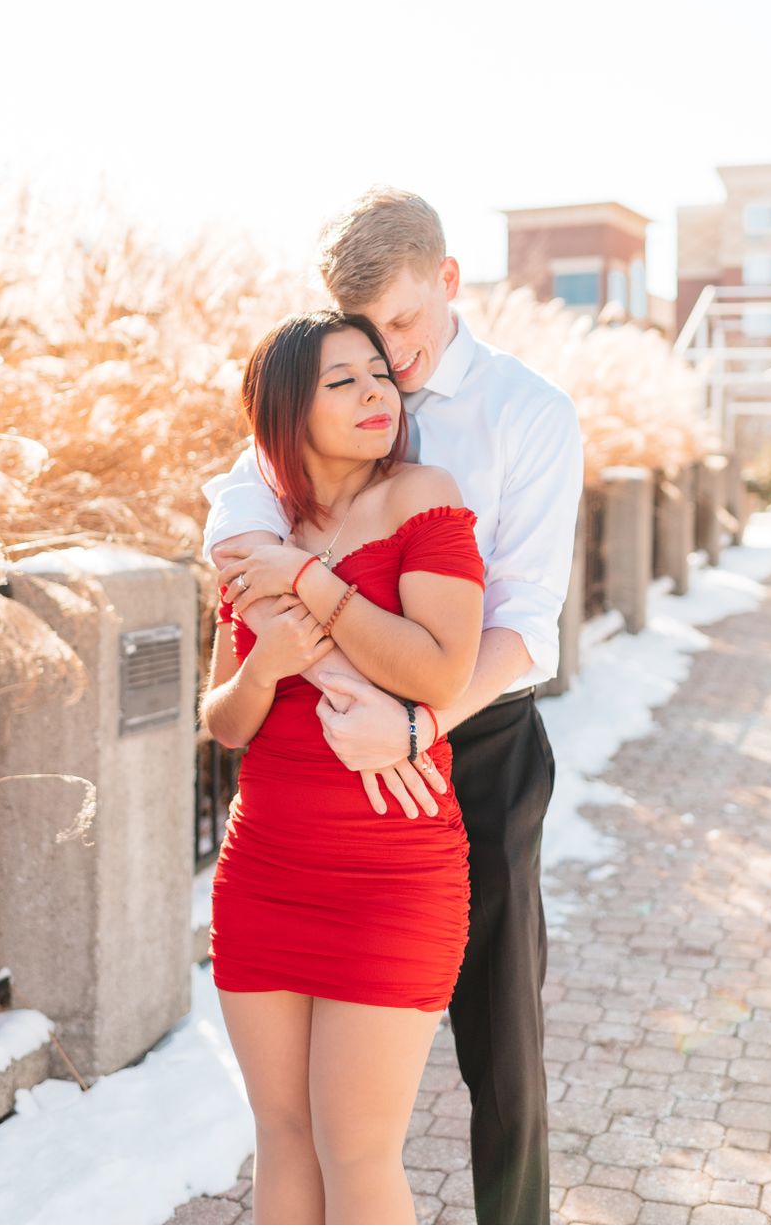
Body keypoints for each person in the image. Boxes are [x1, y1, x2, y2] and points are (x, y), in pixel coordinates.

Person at [203, 187, 584, 1226]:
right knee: (306, 1128)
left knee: (502, 1045)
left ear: (449, 283)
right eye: (368, 338)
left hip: (480, 732)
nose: (391, 360)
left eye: (406, 329)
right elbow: (238, 505)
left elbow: (526, 624)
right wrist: (284, 610)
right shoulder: (344, 406)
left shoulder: (527, 414)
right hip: (313, 788)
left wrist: (412, 722)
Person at [202, 307, 486, 1226]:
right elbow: (222, 722)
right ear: (288, 408)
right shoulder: (253, 529)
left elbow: (440, 668)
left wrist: (310, 580)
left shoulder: (422, 495)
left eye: (380, 374)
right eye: (344, 381)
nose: (377, 394)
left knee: (356, 1151)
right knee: (281, 1135)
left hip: (392, 874)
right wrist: (263, 665)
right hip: (265, 872)